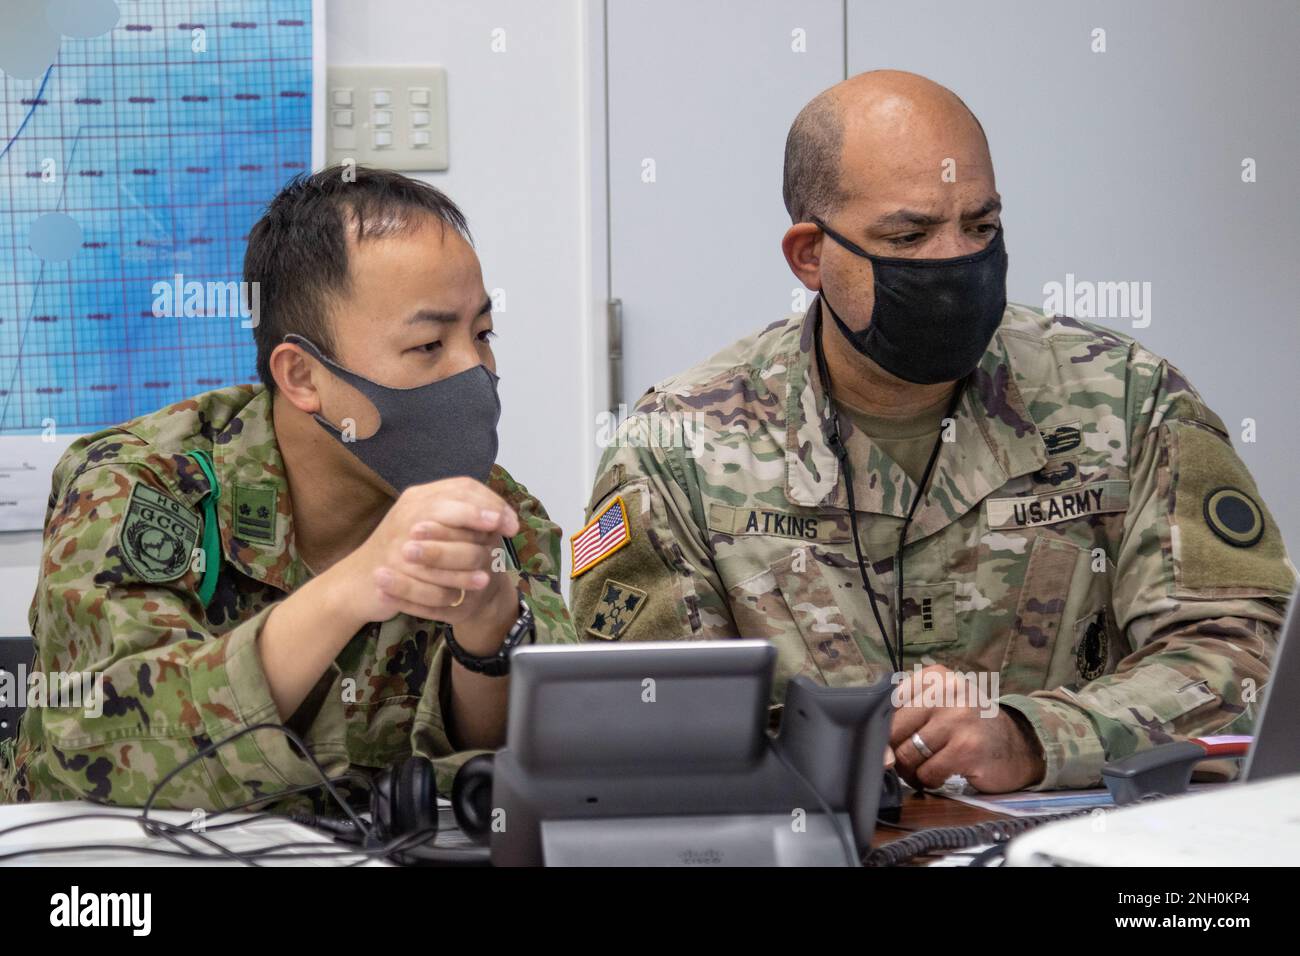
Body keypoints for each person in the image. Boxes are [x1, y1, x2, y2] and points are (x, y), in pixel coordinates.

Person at [570, 70, 1294, 793]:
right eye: (910, 235)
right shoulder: (678, 447)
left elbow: (1243, 661)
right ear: (810, 256)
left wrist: (1033, 738)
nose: (956, 262)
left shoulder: (1127, 400)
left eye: (980, 226)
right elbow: (640, 725)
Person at [0, 166, 574, 809]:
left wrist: (490, 636)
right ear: (302, 375)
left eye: (483, 335)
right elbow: (102, 744)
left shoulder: (496, 511)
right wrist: (348, 592)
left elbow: (546, 764)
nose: (474, 371)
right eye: (429, 344)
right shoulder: (141, 484)